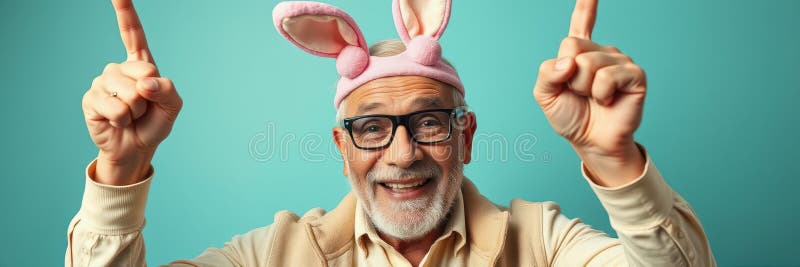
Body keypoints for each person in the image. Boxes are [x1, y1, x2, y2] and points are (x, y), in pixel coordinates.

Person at [66, 0, 716, 266]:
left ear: (464, 138)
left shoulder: (541, 242)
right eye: (372, 127)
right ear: (342, 148)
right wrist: (121, 174)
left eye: (429, 122)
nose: (403, 154)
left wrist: (615, 159)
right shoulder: (275, 254)